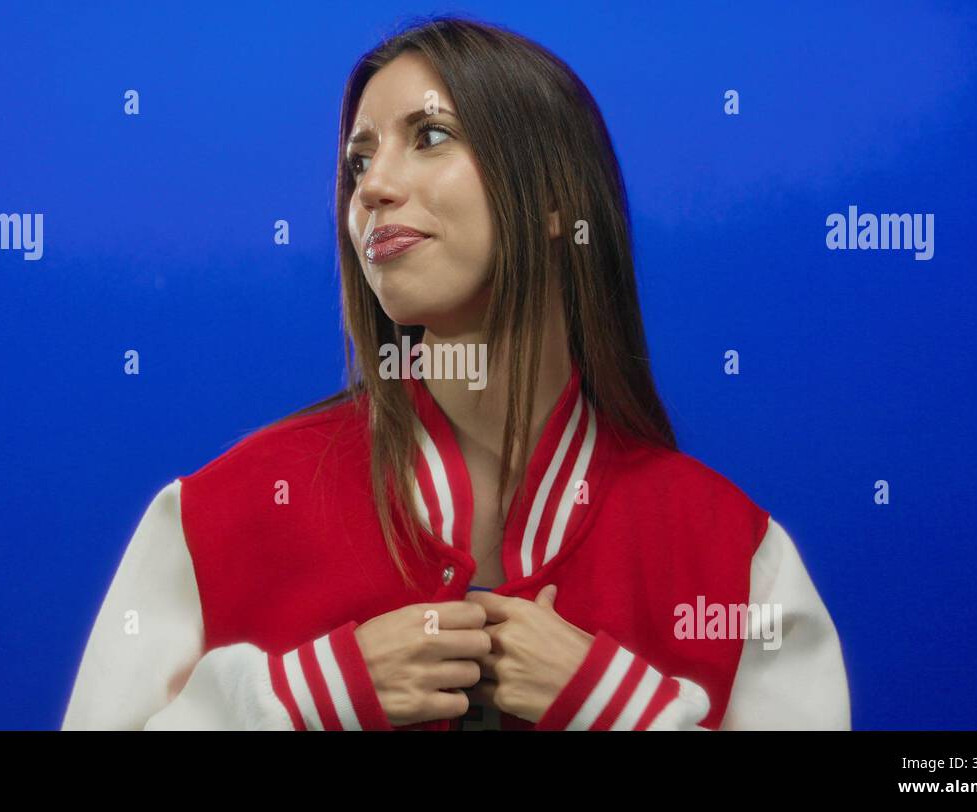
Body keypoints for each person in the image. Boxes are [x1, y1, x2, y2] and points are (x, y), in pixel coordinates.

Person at [61, 16, 850, 731]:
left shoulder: (735, 555)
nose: (371, 186)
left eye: (430, 136)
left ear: (552, 200)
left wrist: (612, 705)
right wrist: (305, 698)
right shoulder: (213, 517)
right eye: (358, 160)